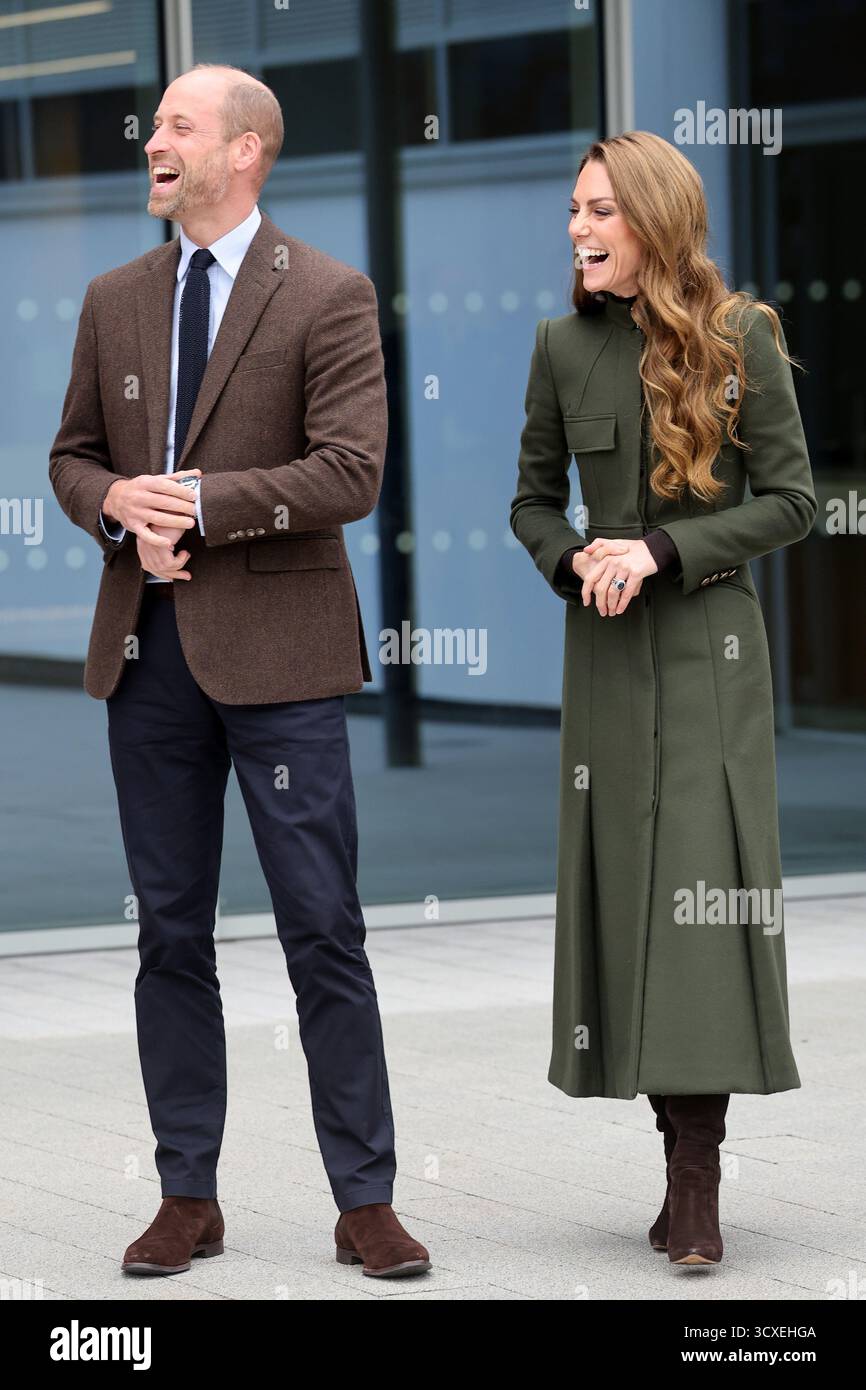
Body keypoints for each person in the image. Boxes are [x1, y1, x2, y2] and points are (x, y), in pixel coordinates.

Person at [48, 63, 430, 1281]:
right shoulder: (115, 296)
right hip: (146, 657)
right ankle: (186, 1193)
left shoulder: (326, 292)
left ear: (245, 150)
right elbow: (69, 456)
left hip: (281, 660)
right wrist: (118, 504)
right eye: (153, 124)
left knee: (323, 927)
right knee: (170, 932)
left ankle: (363, 1199)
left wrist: (200, 505)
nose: (150, 139)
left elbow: (349, 472)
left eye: (177, 125)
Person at [510, 131, 816, 1266]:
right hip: (602, 654)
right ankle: (668, 1152)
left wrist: (658, 551)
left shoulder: (743, 341)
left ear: (652, 217)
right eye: (572, 211)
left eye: (598, 211)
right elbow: (530, 501)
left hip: (707, 649)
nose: (578, 230)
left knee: (696, 896)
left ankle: (695, 1178)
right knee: (625, 899)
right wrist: (575, 557)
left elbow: (788, 501)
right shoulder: (557, 346)